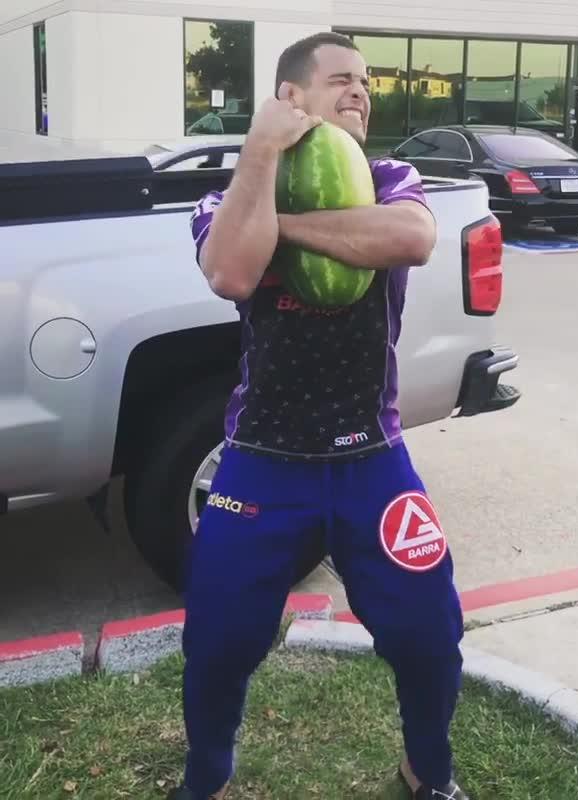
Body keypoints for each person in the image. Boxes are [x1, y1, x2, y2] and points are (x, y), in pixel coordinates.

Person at [168, 31, 469, 800]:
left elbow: (411, 237)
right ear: (289, 99)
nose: (361, 93)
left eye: (365, 83)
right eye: (341, 80)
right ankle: (207, 782)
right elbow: (233, 270)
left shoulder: (390, 175)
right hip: (261, 460)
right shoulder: (231, 192)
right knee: (218, 642)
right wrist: (261, 162)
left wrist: (285, 230)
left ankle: (427, 774)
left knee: (431, 632)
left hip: (373, 456)